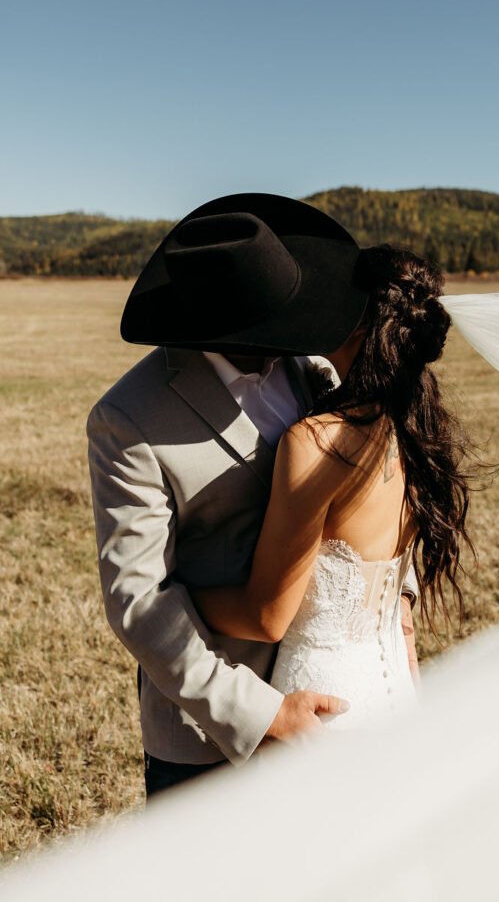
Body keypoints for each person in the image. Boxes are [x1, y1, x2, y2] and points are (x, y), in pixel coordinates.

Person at [87, 194, 419, 798]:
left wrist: (395, 608)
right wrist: (260, 715)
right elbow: (138, 600)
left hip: (334, 688)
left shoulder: (311, 371)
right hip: (212, 737)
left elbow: (370, 487)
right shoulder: (127, 418)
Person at [190, 244, 475, 728]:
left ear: (363, 323)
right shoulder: (419, 427)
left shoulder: (316, 442)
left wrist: (177, 592)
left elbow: (267, 617)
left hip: (326, 702)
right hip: (394, 693)